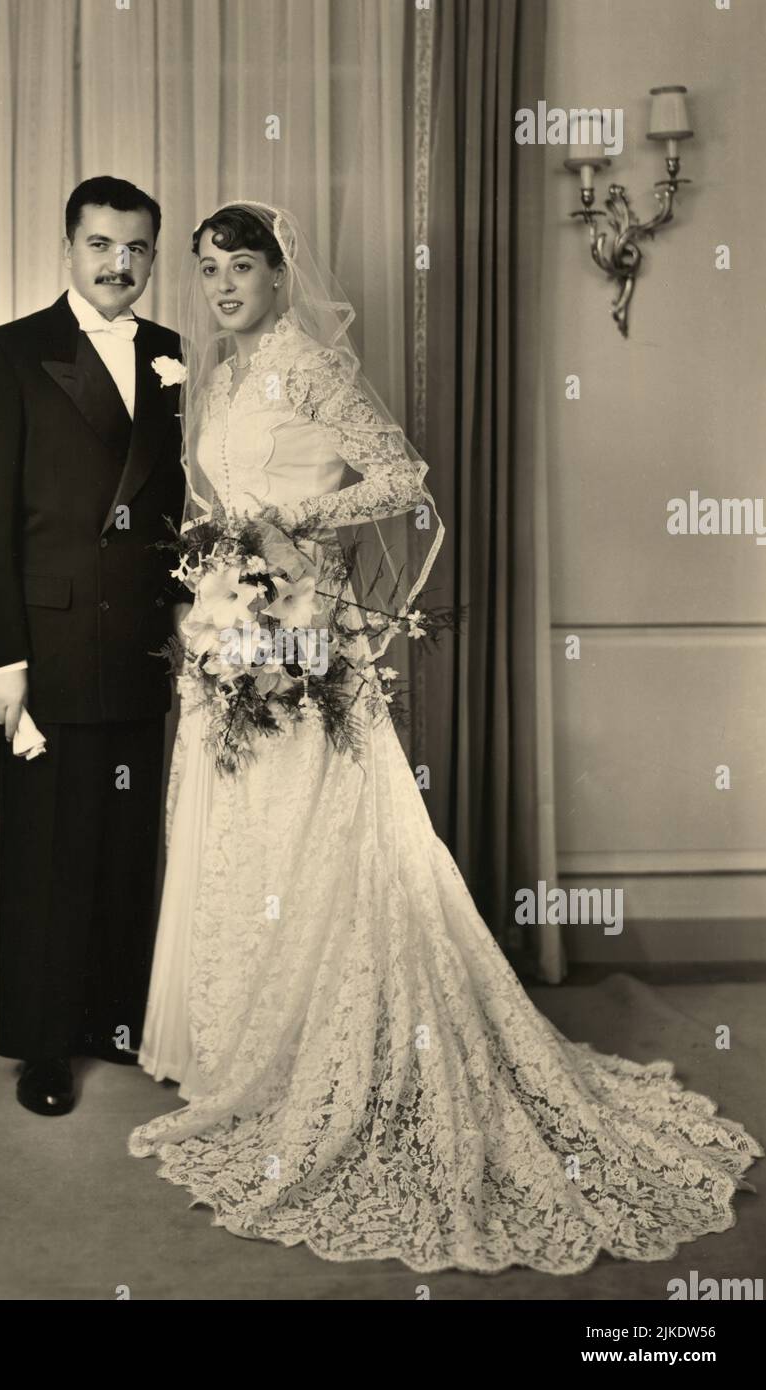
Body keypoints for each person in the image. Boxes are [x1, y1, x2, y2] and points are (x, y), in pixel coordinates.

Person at [128, 201, 762, 1274]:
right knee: (236, 829)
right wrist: (219, 560)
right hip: (233, 635)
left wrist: (292, 530)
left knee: (314, 841)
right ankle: (242, 1045)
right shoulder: (223, 376)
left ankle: (327, 1054)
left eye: (242, 268)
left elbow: (400, 480)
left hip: (305, 634)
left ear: (283, 278)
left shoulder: (308, 366)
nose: (224, 287)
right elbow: (218, 500)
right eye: (208, 271)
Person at [0, 176, 186, 1116]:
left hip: (141, 640)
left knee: (124, 846)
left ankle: (113, 1021)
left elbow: (176, 506)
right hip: (43, 646)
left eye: (135, 249)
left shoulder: (170, 353)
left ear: (152, 256)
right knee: (49, 849)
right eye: (99, 246)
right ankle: (44, 1047)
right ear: (68, 247)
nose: (117, 265)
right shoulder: (6, 353)